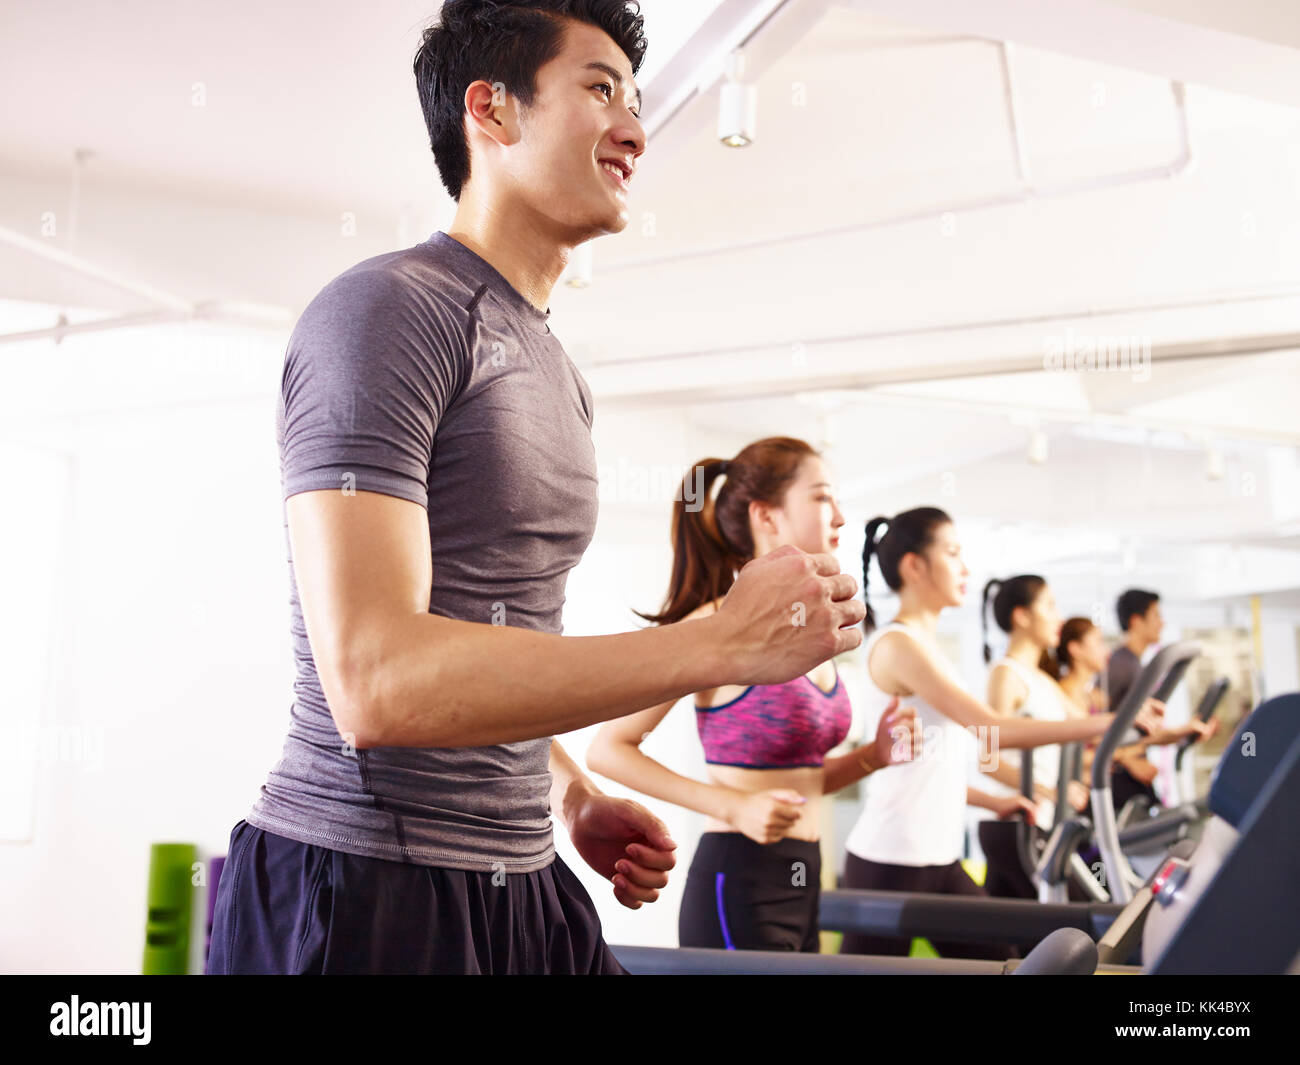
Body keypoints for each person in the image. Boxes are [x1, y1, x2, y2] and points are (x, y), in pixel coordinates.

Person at [208, 1, 868, 976]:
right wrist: (711, 642)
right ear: (493, 110)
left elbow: (495, 639)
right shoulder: (388, 311)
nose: (637, 130)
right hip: (365, 881)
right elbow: (377, 681)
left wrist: (567, 793)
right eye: (600, 90)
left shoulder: (556, 368)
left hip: (524, 873)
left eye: (636, 98)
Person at [586, 439, 922, 952]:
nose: (840, 516)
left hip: (805, 877)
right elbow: (608, 749)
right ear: (767, 515)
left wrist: (872, 758)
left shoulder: (813, 636)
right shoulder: (716, 627)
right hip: (738, 881)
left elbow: (798, 784)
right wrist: (733, 806)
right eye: (822, 498)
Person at [839, 508, 1115, 960]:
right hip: (891, 860)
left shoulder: (929, 650)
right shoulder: (898, 645)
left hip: (939, 858)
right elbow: (992, 731)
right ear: (914, 566)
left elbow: (933, 765)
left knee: (1000, 961)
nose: (965, 568)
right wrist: (1105, 723)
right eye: (952, 553)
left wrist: (993, 801)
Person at [976, 575, 1091, 900]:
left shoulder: (1042, 680)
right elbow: (987, 762)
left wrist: (1165, 732)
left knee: (1012, 936)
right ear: (1021, 615)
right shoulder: (1005, 674)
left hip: (1035, 823)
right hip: (1014, 825)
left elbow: (1097, 727)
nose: (1060, 618)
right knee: (1075, 915)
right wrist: (1051, 791)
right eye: (1050, 606)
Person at [1057, 616, 1217, 810]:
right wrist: (1127, 759)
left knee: (1148, 799)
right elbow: (1070, 755)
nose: (1106, 651)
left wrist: (1178, 733)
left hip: (1102, 783)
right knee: (1143, 799)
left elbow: (1115, 738)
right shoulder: (1065, 695)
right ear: (1076, 649)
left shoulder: (1094, 697)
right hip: (1085, 792)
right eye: (1098, 643)